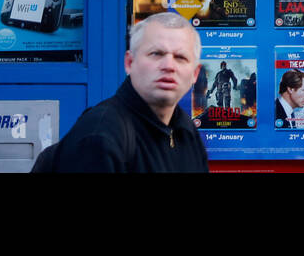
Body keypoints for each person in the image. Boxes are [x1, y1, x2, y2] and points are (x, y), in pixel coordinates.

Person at [32, 12, 208, 172]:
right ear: (129, 63)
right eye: (156, 54)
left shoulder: (185, 131)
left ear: (194, 74)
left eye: (180, 57)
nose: (169, 66)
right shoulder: (99, 138)